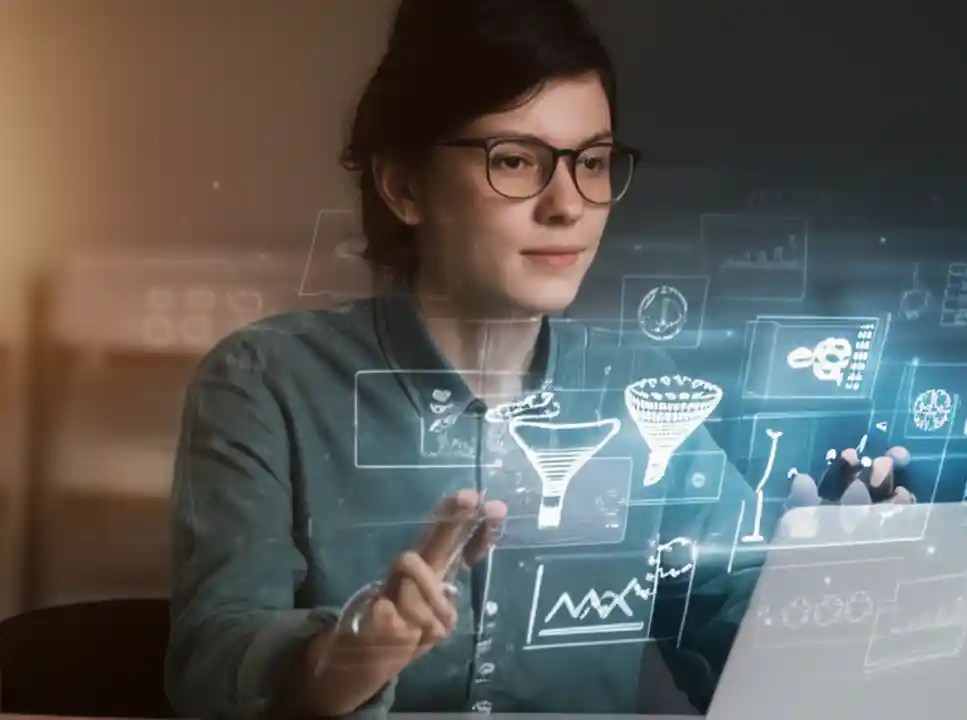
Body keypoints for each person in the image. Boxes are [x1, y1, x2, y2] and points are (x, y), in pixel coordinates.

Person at [165, 1, 913, 716]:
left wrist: (831, 589)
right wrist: (340, 660)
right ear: (402, 186)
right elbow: (210, 658)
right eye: (516, 160)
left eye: (593, 161)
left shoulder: (642, 393)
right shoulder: (266, 384)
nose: (569, 204)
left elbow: (735, 615)